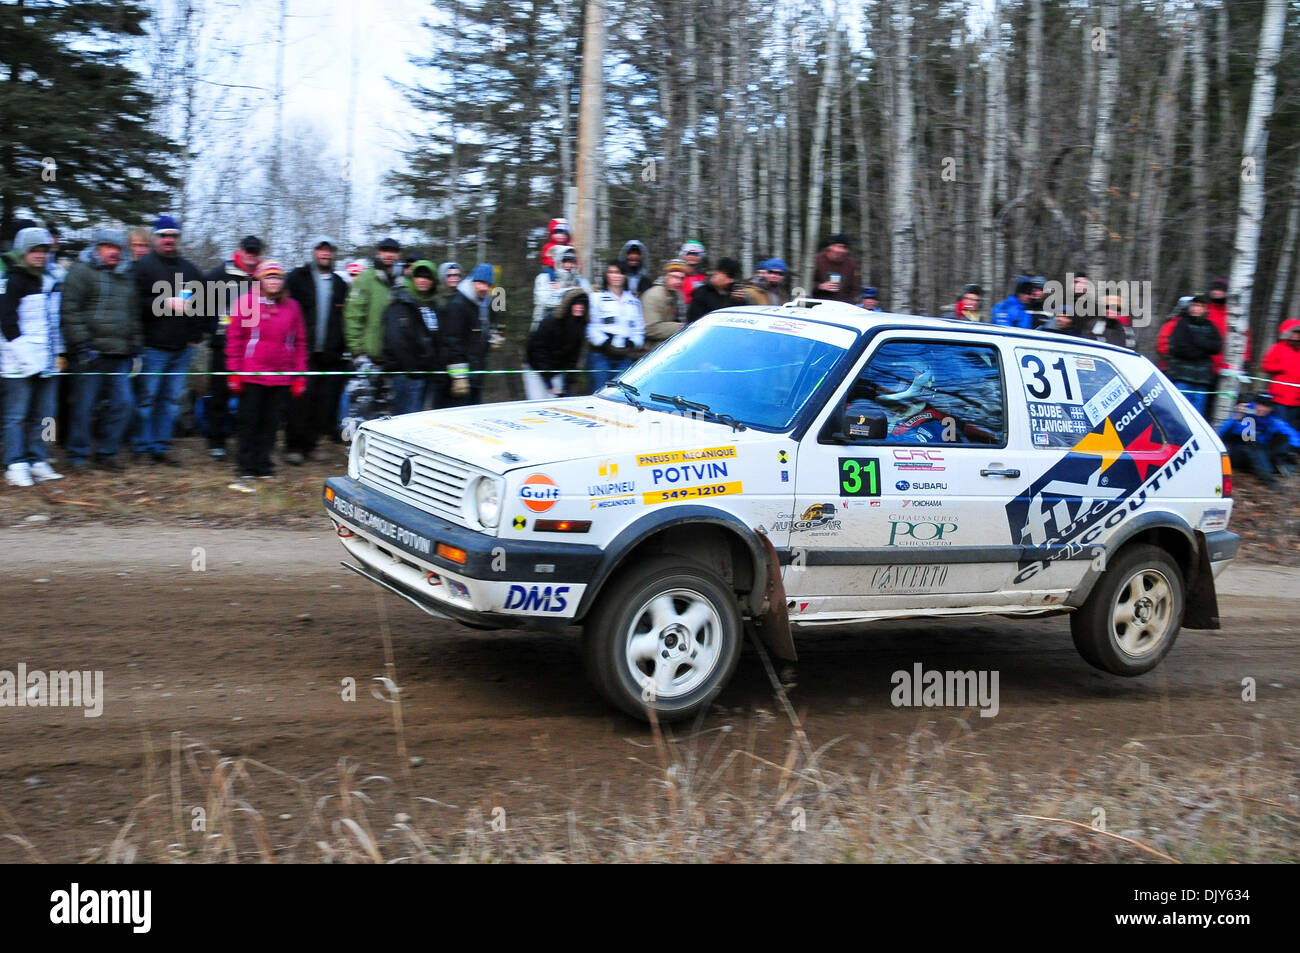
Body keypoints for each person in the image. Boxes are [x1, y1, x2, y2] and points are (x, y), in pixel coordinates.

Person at [60, 228, 140, 471]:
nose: (113, 252)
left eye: (117, 248)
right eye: (107, 246)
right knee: (84, 406)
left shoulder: (126, 277)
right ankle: (78, 455)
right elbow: (69, 311)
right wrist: (81, 345)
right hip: (90, 354)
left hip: (120, 355)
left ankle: (107, 452)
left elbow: (133, 315)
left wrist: (136, 348)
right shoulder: (80, 272)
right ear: (96, 248)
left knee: (123, 404)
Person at [132, 215, 207, 465]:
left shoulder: (190, 269)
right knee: (147, 399)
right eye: (164, 235)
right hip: (152, 348)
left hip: (181, 350)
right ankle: (142, 447)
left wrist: (196, 336)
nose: (168, 240)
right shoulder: (143, 267)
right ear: (156, 238)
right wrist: (163, 303)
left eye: (173, 236)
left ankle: (161, 447)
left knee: (171, 401)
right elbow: (133, 305)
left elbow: (206, 304)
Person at [225, 261, 306, 481]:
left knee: (271, 423)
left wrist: (300, 375)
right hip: (252, 374)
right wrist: (234, 371)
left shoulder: (292, 307)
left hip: (280, 376)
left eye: (277, 278)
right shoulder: (246, 303)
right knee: (249, 421)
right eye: (269, 277)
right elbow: (234, 338)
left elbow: (299, 342)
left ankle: (263, 463)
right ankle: (245, 465)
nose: (273, 281)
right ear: (260, 279)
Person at [1, 227, 64, 486]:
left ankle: (37, 458)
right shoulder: (12, 280)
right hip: (18, 362)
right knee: (16, 415)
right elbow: (6, 322)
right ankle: (14, 463)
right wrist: (26, 358)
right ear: (23, 251)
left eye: (43, 250)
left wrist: (59, 352)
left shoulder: (49, 279)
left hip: (47, 359)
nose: (39, 255)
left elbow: (53, 321)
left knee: (45, 414)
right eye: (34, 250)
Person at [285, 237, 350, 463]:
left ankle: (311, 445)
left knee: (322, 404)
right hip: (302, 351)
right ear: (314, 252)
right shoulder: (297, 278)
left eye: (328, 250)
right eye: (321, 249)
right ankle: (293, 446)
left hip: (330, 354)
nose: (325, 254)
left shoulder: (340, 284)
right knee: (300, 400)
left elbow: (345, 318)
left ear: (333, 254)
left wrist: (343, 347)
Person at [203, 235, 264, 460]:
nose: (251, 256)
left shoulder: (263, 278)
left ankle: (245, 440)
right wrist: (212, 330)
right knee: (219, 394)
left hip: (253, 349)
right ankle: (216, 440)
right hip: (223, 345)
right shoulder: (219, 274)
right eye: (248, 251)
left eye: (255, 252)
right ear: (239, 250)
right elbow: (200, 302)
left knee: (249, 397)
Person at [381, 260, 441, 415]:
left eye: (427, 277)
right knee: (405, 418)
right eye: (419, 276)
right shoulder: (401, 302)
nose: (423, 280)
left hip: (426, 372)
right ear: (412, 278)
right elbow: (396, 340)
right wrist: (411, 368)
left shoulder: (435, 305)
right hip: (406, 373)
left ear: (433, 280)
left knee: (417, 417)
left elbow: (436, 338)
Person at [439, 263, 496, 406]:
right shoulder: (458, 304)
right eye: (480, 283)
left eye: (488, 284)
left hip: (477, 374)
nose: (484, 288)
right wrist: (459, 376)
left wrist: (492, 337)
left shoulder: (485, 304)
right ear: (472, 281)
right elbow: (452, 342)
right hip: (460, 379)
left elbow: (479, 337)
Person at [1217, 394, 1300, 487]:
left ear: (1271, 409)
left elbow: (1291, 433)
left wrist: (1295, 447)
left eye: (1266, 406)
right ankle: (1269, 479)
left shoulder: (1271, 420)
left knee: (1283, 437)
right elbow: (1220, 434)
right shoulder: (1243, 415)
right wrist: (1235, 418)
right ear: (1255, 404)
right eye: (1261, 405)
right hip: (1238, 454)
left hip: (1259, 454)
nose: (1263, 409)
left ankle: (1279, 463)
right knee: (1250, 441)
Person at [587, 261, 645, 391]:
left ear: (625, 276)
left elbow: (639, 329)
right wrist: (605, 343)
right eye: (612, 272)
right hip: (601, 355)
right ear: (606, 276)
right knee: (599, 391)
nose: (616, 276)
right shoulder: (597, 298)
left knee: (620, 394)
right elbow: (591, 325)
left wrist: (632, 343)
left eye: (619, 273)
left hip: (624, 356)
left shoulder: (633, 301)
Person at [344, 237, 402, 368]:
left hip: (397, 359)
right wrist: (357, 352)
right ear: (378, 253)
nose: (388, 254)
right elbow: (353, 316)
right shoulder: (365, 279)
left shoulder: (403, 281)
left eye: (393, 251)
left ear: (398, 255)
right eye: (385, 250)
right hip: (370, 358)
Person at [525, 287, 589, 399]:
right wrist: (547, 381)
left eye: (582, 305)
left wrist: (568, 383)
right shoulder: (550, 322)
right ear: (568, 305)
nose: (579, 307)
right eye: (576, 304)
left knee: (556, 403)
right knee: (538, 401)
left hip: (556, 370)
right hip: (536, 368)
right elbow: (538, 351)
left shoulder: (581, 326)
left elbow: (574, 357)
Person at [1166, 294, 1222, 416]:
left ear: (1205, 309)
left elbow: (1216, 347)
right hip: (1182, 376)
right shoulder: (1182, 324)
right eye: (1195, 305)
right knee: (1179, 414)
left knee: (1197, 416)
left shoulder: (1210, 326)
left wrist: (1197, 343)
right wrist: (1202, 352)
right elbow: (1177, 347)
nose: (1197, 308)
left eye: (1200, 306)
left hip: (1202, 380)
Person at [531, 245, 590, 332]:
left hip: (570, 328)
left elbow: (588, 298)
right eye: (565, 261)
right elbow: (545, 301)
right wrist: (571, 292)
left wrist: (560, 293)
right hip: (544, 327)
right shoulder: (544, 277)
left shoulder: (580, 280)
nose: (568, 265)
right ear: (558, 261)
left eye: (571, 262)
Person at [1261, 319, 1300, 431]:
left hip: (1297, 400)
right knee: (1279, 428)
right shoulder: (1278, 348)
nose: (1296, 336)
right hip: (1279, 398)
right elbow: (1266, 366)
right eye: (1294, 333)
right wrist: (1282, 367)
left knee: (1292, 430)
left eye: (1298, 333)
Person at [642, 259, 691, 345]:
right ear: (666, 276)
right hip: (649, 348)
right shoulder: (654, 295)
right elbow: (649, 329)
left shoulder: (678, 295)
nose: (678, 281)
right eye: (674, 277)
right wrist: (679, 327)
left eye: (682, 278)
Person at [687, 257, 745, 322]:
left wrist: (738, 302)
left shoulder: (737, 298)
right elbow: (694, 320)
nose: (716, 273)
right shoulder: (701, 293)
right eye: (717, 270)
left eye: (721, 272)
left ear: (730, 280)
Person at [812, 233, 860, 303]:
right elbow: (804, 283)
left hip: (842, 307)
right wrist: (819, 286)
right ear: (830, 247)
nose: (842, 250)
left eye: (844, 248)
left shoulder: (851, 264)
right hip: (818, 306)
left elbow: (855, 288)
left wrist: (849, 303)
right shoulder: (816, 261)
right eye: (839, 247)